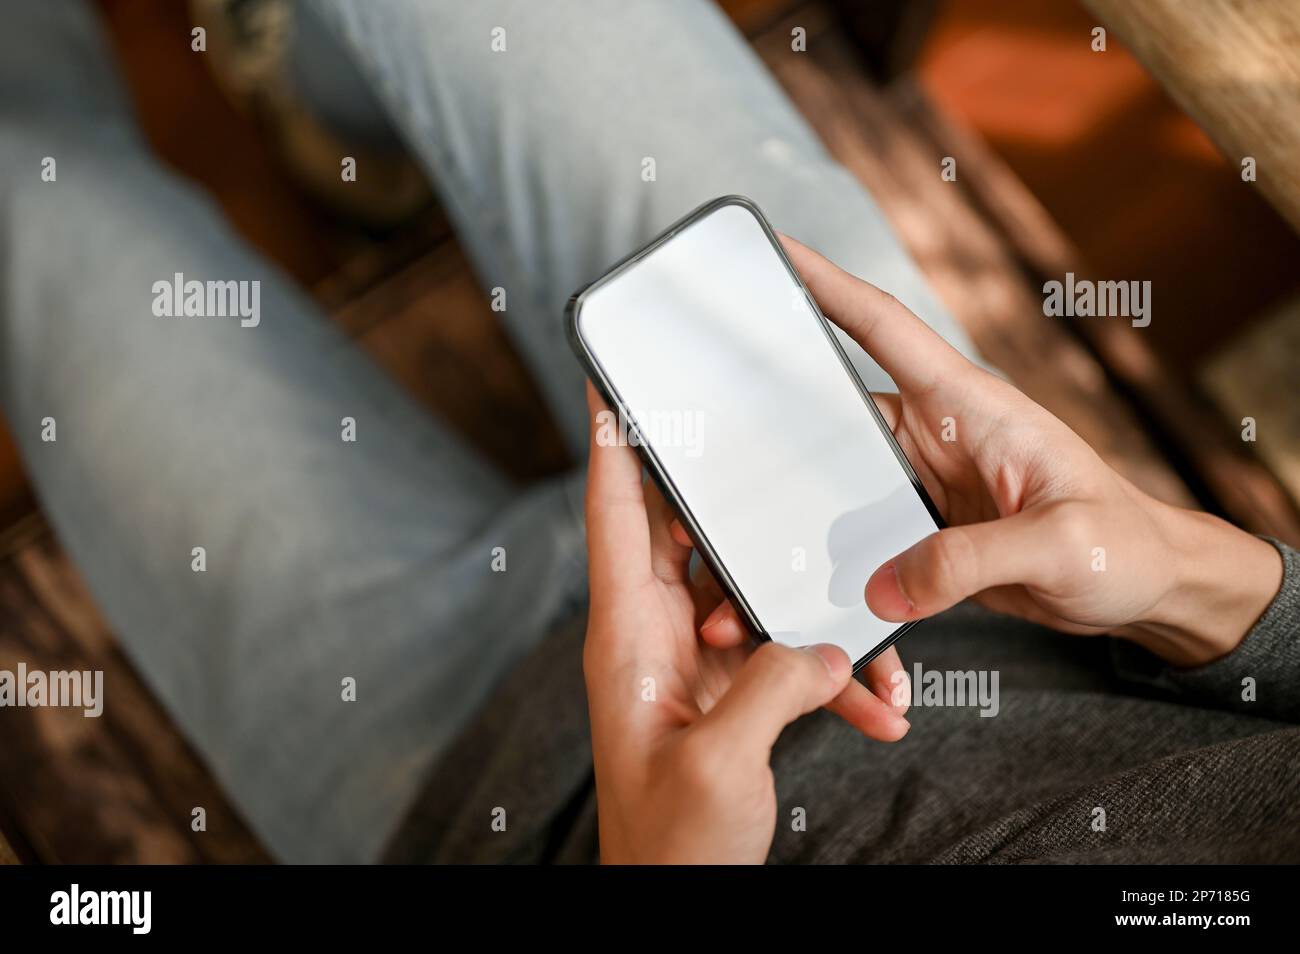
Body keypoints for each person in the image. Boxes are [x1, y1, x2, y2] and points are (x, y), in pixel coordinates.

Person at [3, 1, 1296, 866]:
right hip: (882, 501)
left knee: (29, 195)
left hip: (481, 782)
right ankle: (337, 109)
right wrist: (1193, 579)